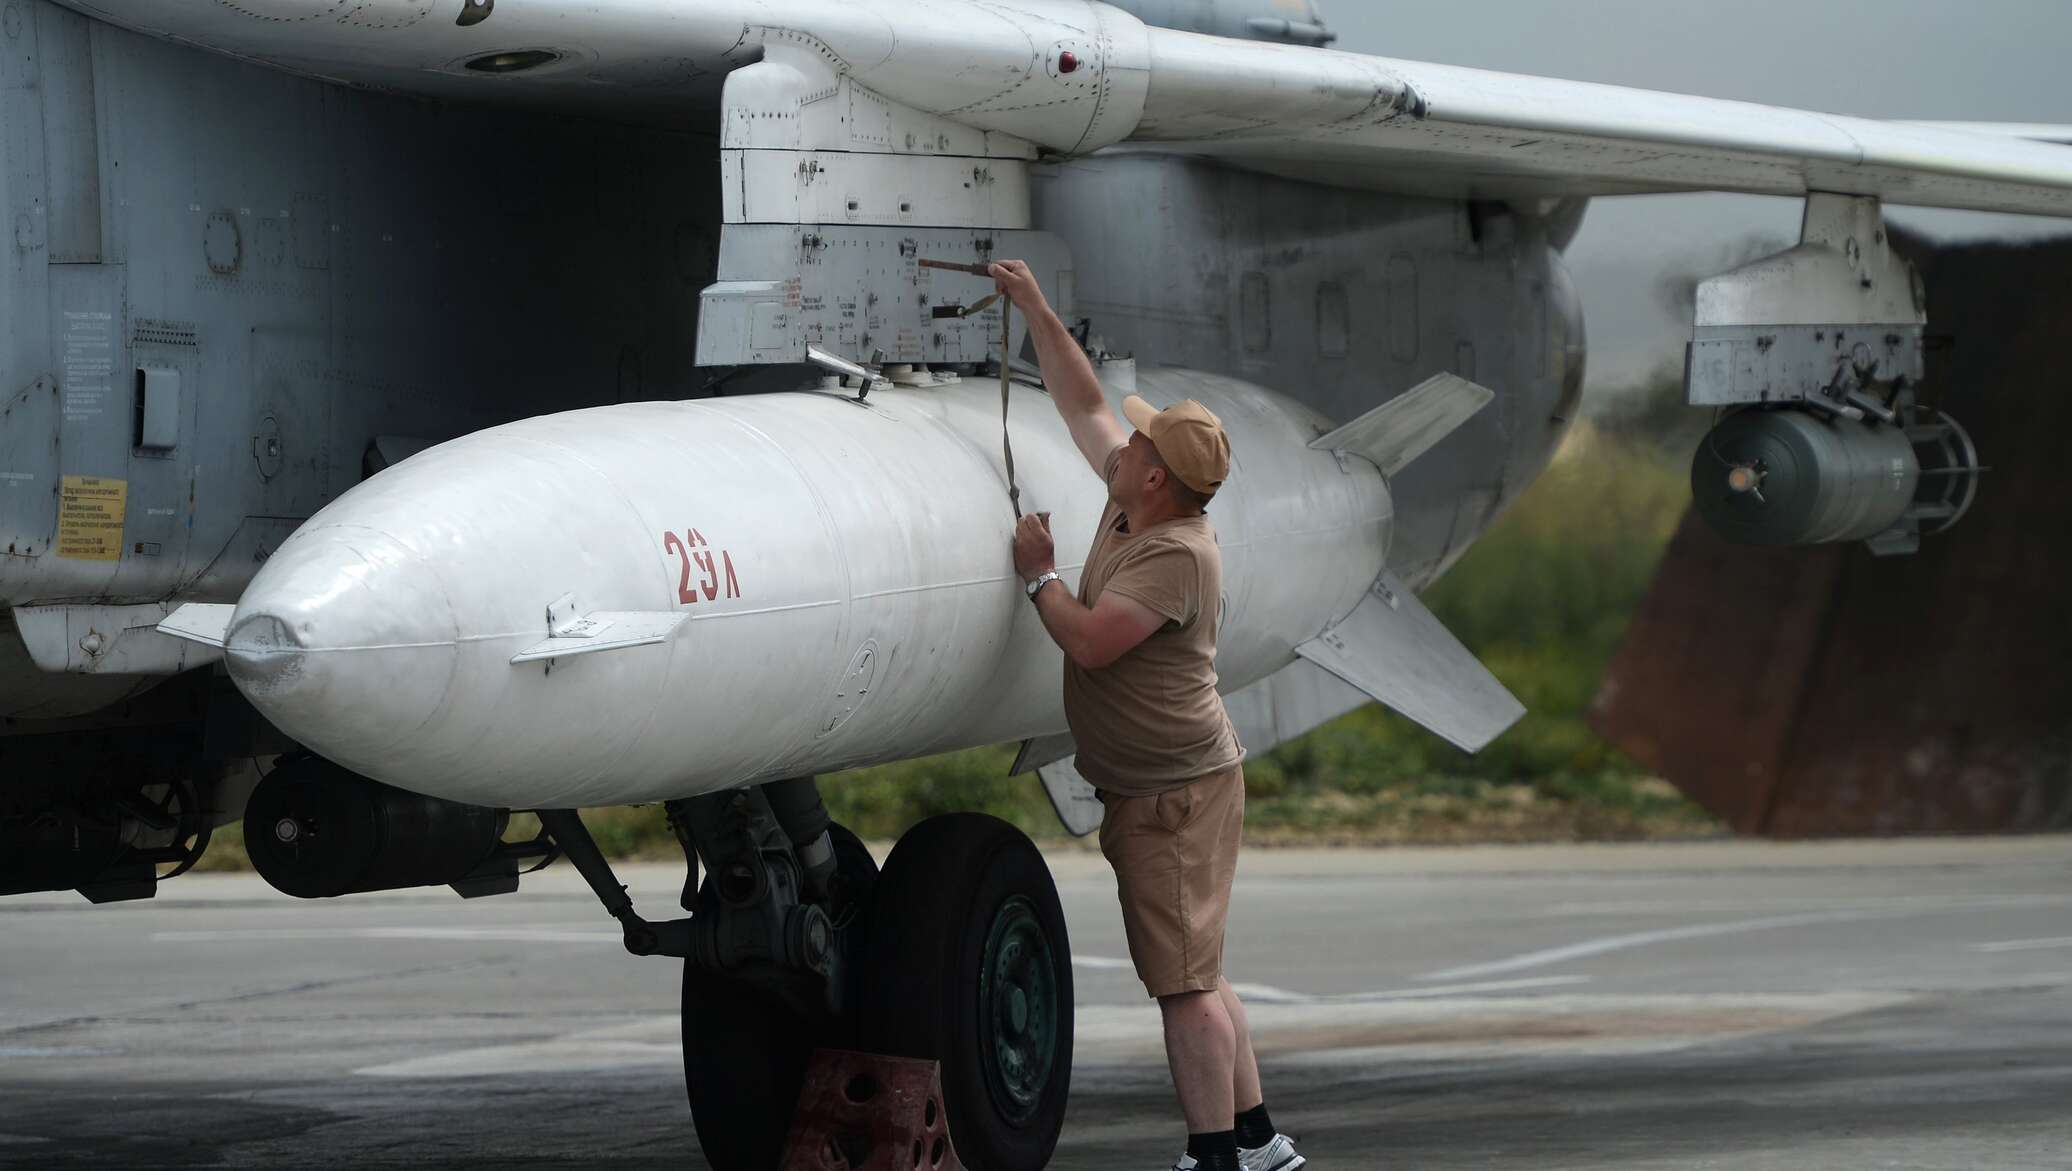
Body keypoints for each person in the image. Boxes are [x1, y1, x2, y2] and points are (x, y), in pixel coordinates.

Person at [989, 259, 1307, 1171]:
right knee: (1199, 970)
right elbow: (1085, 405)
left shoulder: (1177, 555)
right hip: (1171, 786)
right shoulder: (1138, 506)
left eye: (1137, 448)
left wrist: (1039, 571)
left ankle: (1214, 1156)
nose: (1117, 448)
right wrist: (1038, 310)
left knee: (1181, 989)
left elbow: (1089, 641)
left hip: (1173, 796)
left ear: (1158, 479)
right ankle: (1256, 1140)